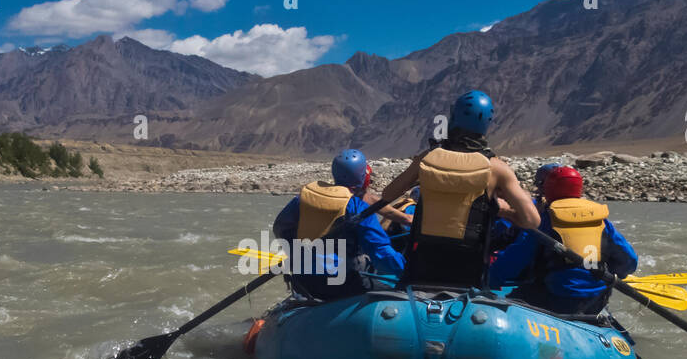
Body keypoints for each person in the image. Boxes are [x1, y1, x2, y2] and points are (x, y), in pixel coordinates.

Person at [374, 90, 539, 288]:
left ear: (454, 118)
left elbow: (388, 195)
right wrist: (503, 211)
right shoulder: (497, 168)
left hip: (422, 261)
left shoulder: (427, 158)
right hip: (469, 268)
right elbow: (531, 220)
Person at [488, 165, 637, 315]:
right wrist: (615, 273)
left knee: (514, 299)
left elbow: (513, 261)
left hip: (557, 298)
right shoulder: (602, 221)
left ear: (547, 189)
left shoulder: (544, 221)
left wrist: (490, 280)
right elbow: (630, 262)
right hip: (597, 300)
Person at [272, 148, 405, 299]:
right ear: (363, 176)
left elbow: (280, 227)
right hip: (341, 283)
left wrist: (297, 255)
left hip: (303, 280)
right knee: (396, 293)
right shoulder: (357, 207)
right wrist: (408, 271)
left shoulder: (302, 199)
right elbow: (381, 253)